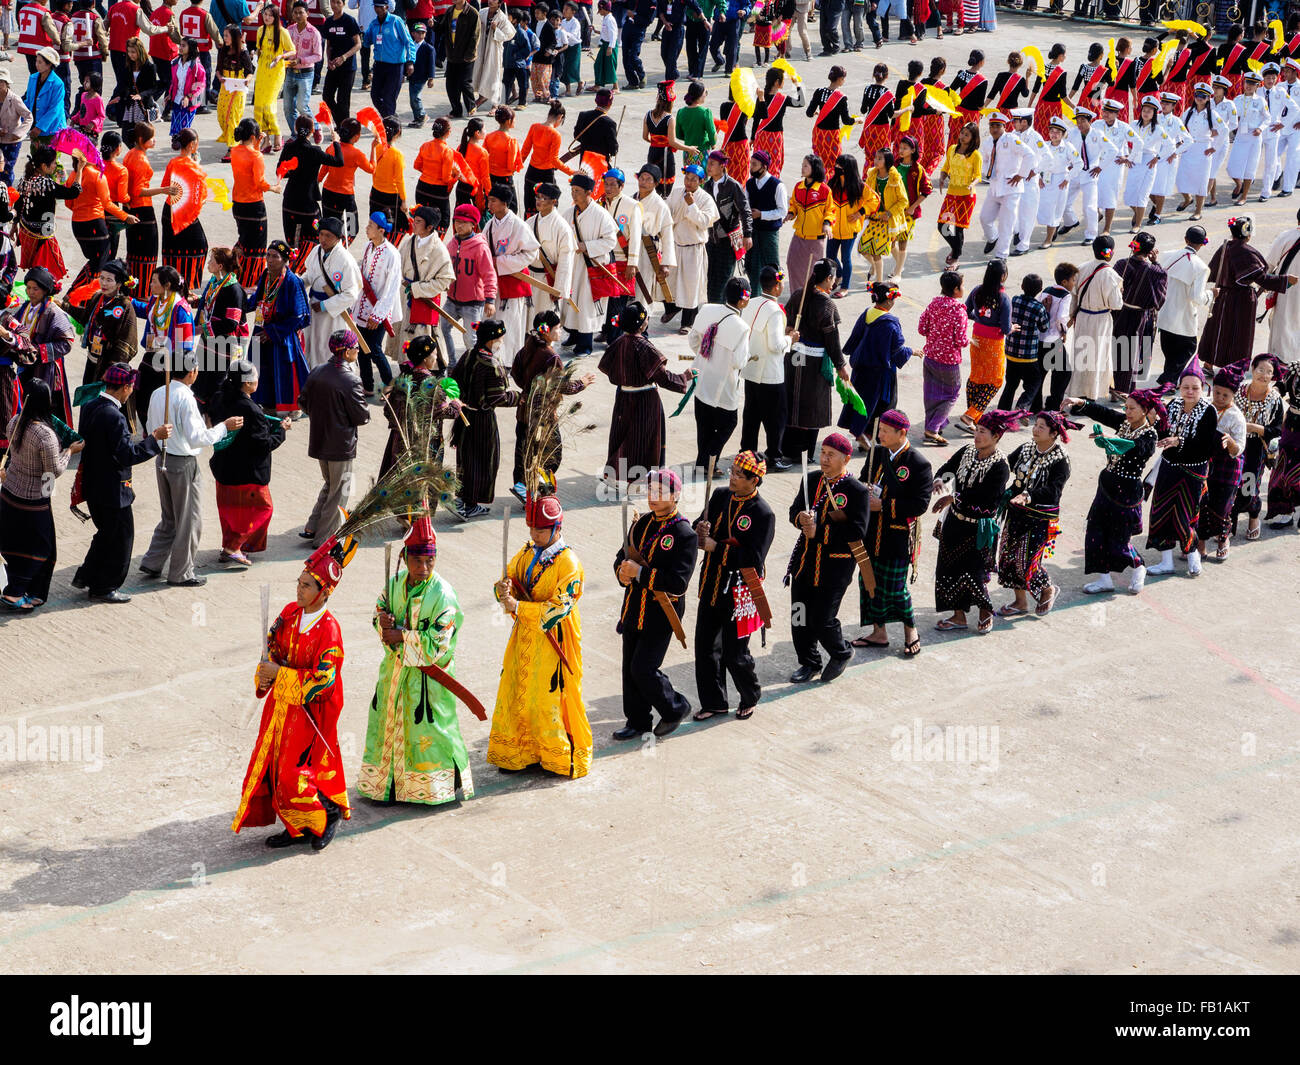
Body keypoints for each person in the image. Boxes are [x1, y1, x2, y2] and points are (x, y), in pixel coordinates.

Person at [233, 532, 354, 852]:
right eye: (299, 582)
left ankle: (325, 816)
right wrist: (265, 675)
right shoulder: (289, 613)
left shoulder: (330, 631)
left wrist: (280, 675)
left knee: (295, 772)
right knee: (275, 768)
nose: (298, 589)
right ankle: (296, 826)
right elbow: (272, 648)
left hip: (312, 712)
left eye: (306, 585)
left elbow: (323, 681)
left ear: (323, 592)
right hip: (281, 707)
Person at [358, 513, 475, 805]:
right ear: (405, 557)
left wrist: (401, 637)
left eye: (430, 562)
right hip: (395, 674)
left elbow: (439, 643)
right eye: (417, 561)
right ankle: (392, 784)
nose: (424, 568)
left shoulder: (444, 595)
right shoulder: (394, 583)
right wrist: (382, 623)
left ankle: (437, 786)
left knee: (432, 730)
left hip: (428, 681)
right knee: (386, 723)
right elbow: (379, 611)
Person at [487, 491, 591, 773]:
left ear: (557, 528)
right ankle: (520, 752)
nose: (534, 533)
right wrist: (503, 589)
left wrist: (518, 607)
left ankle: (556, 756)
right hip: (524, 637)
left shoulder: (570, 564)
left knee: (547, 698)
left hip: (554, 638)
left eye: (541, 529)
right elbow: (510, 578)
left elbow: (559, 609)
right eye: (532, 527)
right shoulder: (526, 551)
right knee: (517, 690)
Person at [138, 348, 242, 587]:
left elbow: (150, 426)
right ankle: (181, 573)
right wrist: (224, 427)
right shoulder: (185, 398)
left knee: (170, 517)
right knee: (189, 519)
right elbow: (198, 438)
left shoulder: (158, 393)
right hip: (182, 463)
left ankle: (153, 562)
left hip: (162, 457)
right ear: (192, 372)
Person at [71, 362, 172, 603]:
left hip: (94, 483)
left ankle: (87, 575)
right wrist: (154, 439)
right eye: (130, 388)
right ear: (125, 387)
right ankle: (105, 586)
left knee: (105, 534)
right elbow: (127, 454)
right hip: (112, 489)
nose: (131, 393)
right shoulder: (114, 416)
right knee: (121, 538)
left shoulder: (90, 404)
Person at [688, 449, 774, 722]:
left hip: (739, 590)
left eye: (739, 475)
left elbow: (753, 557)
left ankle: (750, 694)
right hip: (712, 583)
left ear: (754, 481)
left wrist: (716, 548)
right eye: (732, 471)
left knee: (735, 652)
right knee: (705, 647)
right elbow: (699, 526)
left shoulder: (762, 513)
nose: (732, 478)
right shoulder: (721, 495)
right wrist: (699, 530)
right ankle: (714, 702)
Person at [613, 466, 699, 738]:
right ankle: (637, 721)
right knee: (629, 669)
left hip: (660, 612)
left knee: (644, 668)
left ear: (675, 496)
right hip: (633, 608)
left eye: (661, 491)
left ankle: (675, 707)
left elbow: (678, 583)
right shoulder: (640, 524)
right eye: (650, 490)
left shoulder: (685, 535)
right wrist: (622, 574)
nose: (653, 496)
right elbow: (621, 556)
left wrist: (639, 573)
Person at [851, 406, 933, 660]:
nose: (881, 436)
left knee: (896, 588)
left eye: (886, 432)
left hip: (896, 534)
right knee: (869, 582)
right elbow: (864, 480)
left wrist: (884, 506)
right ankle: (879, 632)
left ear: (902, 433)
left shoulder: (918, 463)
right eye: (880, 430)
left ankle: (911, 632)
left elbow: (920, 504)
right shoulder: (876, 453)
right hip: (870, 531)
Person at [786, 432, 868, 684]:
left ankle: (840, 652)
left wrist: (819, 531)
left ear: (846, 459)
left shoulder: (856, 491)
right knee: (799, 615)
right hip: (804, 562)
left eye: (831, 455)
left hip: (835, 565)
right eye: (822, 453)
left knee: (823, 618)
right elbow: (793, 511)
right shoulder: (811, 480)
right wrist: (800, 519)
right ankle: (809, 662)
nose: (824, 458)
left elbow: (857, 531)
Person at [1065, 389, 1163, 596]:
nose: (1127, 412)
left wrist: (1111, 440)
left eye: (1132, 408)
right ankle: (1104, 579)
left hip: (1126, 492)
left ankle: (1138, 567)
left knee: (1119, 540)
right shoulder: (1125, 423)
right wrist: (1081, 402)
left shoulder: (1149, 435)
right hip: (1107, 486)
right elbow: (1105, 414)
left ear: (1145, 410)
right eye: (1125, 407)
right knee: (1095, 533)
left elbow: (1137, 449)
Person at [0, 379, 81, 611]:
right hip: (34, 499)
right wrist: (69, 451)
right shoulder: (45, 435)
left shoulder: (15, 421)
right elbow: (53, 470)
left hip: (10, 493)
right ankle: (16, 594)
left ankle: (20, 591)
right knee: (40, 549)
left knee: (12, 544)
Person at [931, 410, 1013, 635]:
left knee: (974, 572)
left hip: (978, 528)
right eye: (976, 429)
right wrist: (940, 479)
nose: (977, 435)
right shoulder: (967, 451)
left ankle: (985, 610)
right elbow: (948, 467)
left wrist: (952, 497)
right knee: (947, 568)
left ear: (996, 436)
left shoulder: (1000, 466)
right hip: (954, 521)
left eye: (983, 431)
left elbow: (987, 501)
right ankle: (958, 616)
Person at [598, 300, 693, 484]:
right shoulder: (644, 347)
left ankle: (615, 475)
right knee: (642, 439)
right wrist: (684, 377)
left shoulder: (618, 342)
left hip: (623, 396)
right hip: (645, 400)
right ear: (642, 323)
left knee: (623, 435)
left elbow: (607, 369)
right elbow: (663, 378)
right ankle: (637, 480)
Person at [205, 359, 287, 567]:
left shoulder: (219, 397)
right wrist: (282, 431)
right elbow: (264, 444)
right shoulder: (250, 409)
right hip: (247, 473)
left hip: (224, 467)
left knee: (230, 513)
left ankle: (230, 547)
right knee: (262, 509)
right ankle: (233, 547)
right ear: (248, 384)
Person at [996, 411, 1073, 618]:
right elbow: (1006, 466)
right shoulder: (1027, 448)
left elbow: (1054, 491)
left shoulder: (1060, 460)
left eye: (1041, 427)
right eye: (1035, 425)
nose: (1035, 429)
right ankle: (1020, 602)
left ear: (1054, 433)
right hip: (1016, 511)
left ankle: (1047, 589)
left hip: (1040, 517)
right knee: (1008, 557)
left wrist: (1028, 496)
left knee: (1028, 561)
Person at [508, 311, 593, 492]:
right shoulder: (550, 357)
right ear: (546, 331)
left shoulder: (526, 348)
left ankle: (522, 487)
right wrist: (582, 383)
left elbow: (515, 373)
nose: (561, 331)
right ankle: (536, 488)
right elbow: (562, 386)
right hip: (543, 415)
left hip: (524, 412)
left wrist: (528, 390)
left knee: (524, 451)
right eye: (558, 328)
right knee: (550, 454)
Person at [1145, 367, 1219, 578]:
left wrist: (1178, 441)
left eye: (1195, 388)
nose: (1189, 391)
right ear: (1179, 387)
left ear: (1203, 388)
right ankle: (1166, 562)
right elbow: (1163, 432)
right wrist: (1153, 420)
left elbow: (1205, 445)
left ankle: (1193, 555)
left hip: (1193, 471)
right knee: (1161, 513)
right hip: (1169, 467)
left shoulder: (1208, 411)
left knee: (1186, 515)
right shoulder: (1173, 405)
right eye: (1185, 387)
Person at [297, 328, 368, 548]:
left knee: (331, 484)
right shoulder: (351, 380)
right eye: (355, 348)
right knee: (341, 491)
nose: (358, 351)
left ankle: (312, 526)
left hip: (320, 439)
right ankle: (324, 539)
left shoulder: (317, 371)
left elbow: (303, 402)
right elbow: (362, 416)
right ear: (346, 352)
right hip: (341, 444)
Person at [1199, 215, 1297, 371]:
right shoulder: (1245, 252)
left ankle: (1208, 365)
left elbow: (1213, 271)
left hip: (1222, 295)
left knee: (1216, 330)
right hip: (1240, 300)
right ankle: (1234, 368)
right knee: (1238, 335)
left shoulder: (1225, 246)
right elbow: (1262, 278)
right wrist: (1286, 281)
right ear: (1248, 234)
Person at [448, 317, 518, 519]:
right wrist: (518, 397)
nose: (501, 342)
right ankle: (464, 503)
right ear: (492, 340)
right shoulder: (491, 364)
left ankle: (466, 502)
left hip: (464, 415)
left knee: (466, 459)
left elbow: (454, 380)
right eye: (501, 339)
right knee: (484, 461)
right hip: (482, 419)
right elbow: (498, 397)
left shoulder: (469, 354)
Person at [783, 257, 849, 464]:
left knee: (793, 399)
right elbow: (832, 340)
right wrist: (841, 366)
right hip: (812, 364)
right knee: (811, 405)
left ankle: (787, 448)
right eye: (833, 279)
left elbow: (785, 321)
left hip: (794, 357)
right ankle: (804, 453)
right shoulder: (826, 304)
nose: (834, 283)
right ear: (828, 279)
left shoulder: (797, 295)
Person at [837, 280, 911, 450]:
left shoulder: (867, 313)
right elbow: (897, 351)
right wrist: (911, 351)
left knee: (860, 400)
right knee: (881, 404)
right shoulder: (891, 322)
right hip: (880, 373)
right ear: (889, 300)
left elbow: (853, 340)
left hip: (861, 368)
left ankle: (866, 434)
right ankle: (861, 433)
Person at [687, 275, 751, 470]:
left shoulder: (707, 310)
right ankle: (707, 461)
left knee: (704, 425)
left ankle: (704, 463)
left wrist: (705, 355)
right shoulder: (741, 327)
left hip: (702, 375)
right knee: (728, 423)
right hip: (723, 384)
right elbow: (739, 361)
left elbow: (693, 340)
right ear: (742, 300)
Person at [2, 266, 76, 424]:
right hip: (26, 363)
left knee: (46, 407)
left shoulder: (54, 312)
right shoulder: (25, 307)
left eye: (35, 289)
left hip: (46, 368)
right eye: (28, 288)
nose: (30, 292)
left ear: (45, 291)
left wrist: (39, 351)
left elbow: (67, 342)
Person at [561, 172, 619, 356]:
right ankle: (573, 334)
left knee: (586, 305)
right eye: (572, 190)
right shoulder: (568, 213)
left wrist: (586, 246)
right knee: (571, 301)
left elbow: (611, 241)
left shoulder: (600, 214)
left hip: (592, 266)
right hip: (574, 265)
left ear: (589, 193)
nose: (573, 194)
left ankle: (585, 344)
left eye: (577, 191)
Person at [483, 185, 541, 364]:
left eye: (493, 201)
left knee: (510, 325)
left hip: (513, 280)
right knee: (490, 322)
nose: (489, 204)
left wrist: (500, 262)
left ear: (505, 203)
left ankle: (509, 362)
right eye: (489, 200)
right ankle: (490, 358)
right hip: (493, 280)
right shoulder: (490, 223)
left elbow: (532, 253)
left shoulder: (518, 225)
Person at [250, 240, 310, 412]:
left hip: (282, 334)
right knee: (257, 362)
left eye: (275, 256)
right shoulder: (266, 275)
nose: (269, 259)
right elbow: (256, 299)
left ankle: (287, 407)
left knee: (282, 369)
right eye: (268, 255)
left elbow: (298, 316)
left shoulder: (293, 282)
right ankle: (262, 401)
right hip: (261, 327)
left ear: (285, 260)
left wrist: (271, 333)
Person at [1196, 364, 1249, 562]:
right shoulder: (1205, 406)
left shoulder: (1236, 417)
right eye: (1217, 392)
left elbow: (1240, 448)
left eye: (1225, 395)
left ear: (1233, 396)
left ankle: (1223, 539)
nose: (1219, 398)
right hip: (1207, 462)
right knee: (1202, 502)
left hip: (1229, 465)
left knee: (1222, 505)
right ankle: (1200, 542)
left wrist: (1231, 443)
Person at [739, 264, 790, 465]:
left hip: (750, 369)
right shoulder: (775, 311)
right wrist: (790, 339)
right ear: (777, 286)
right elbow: (776, 345)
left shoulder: (750, 303)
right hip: (770, 373)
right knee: (775, 419)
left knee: (751, 416)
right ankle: (774, 456)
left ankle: (747, 453)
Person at [298, 216, 362, 371]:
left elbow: (351, 294)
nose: (323, 239)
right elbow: (310, 275)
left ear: (338, 238)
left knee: (328, 348)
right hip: (313, 307)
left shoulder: (346, 260)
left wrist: (324, 305)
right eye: (321, 234)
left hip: (333, 314)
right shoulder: (316, 251)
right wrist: (298, 283)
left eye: (328, 236)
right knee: (312, 345)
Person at [955, 259, 1010, 434]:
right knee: (995, 380)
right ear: (1003, 276)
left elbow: (965, 310)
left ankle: (974, 419)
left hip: (977, 338)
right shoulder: (1003, 298)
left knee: (977, 376)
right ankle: (971, 415)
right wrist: (1012, 328)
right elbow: (1006, 327)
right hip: (993, 343)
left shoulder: (977, 291)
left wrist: (978, 319)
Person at [1233, 354, 1284, 541]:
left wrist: (1255, 428)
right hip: (1235, 443)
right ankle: (1229, 520)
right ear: (1252, 369)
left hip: (1256, 447)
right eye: (1260, 370)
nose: (1264, 375)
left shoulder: (1275, 399)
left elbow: (1277, 429)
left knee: (1249, 484)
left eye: (1269, 372)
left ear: (1273, 376)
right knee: (1230, 483)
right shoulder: (1239, 391)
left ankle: (1254, 516)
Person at [62, 258, 137, 385]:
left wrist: (112, 369)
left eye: (109, 280)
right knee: (87, 398)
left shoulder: (125, 306)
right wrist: (63, 306)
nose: (104, 283)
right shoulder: (98, 297)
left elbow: (126, 342)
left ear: (119, 284)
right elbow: (85, 316)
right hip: (92, 359)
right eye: (101, 278)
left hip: (108, 366)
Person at [1110, 232, 1167, 396]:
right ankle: (1124, 389)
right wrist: (1156, 262)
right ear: (1150, 252)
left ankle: (1112, 385)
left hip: (1118, 312)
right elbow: (1159, 300)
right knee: (1131, 353)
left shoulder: (1121, 264)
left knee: (1116, 348)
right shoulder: (1155, 271)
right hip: (1139, 317)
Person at [395, 205, 454, 359]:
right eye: (414, 220)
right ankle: (406, 368)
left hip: (424, 300)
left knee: (424, 338)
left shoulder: (439, 249)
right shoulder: (409, 241)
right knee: (404, 336)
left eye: (418, 221)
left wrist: (417, 288)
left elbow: (445, 280)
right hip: (406, 297)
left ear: (429, 227)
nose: (413, 223)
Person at [353, 211, 402, 395]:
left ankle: (389, 381)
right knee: (362, 349)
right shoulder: (367, 247)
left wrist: (378, 314)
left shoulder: (392, 254)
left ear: (381, 230)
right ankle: (367, 385)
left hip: (379, 309)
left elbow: (391, 288)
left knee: (374, 348)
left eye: (371, 226)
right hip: (363, 306)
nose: (367, 228)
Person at [1068, 235, 1123, 401]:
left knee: (1081, 357)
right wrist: (1120, 293)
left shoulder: (1081, 268)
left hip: (1083, 317)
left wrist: (1072, 316)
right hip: (1101, 320)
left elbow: (1073, 297)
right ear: (1110, 253)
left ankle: (1077, 393)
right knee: (1097, 357)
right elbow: (1116, 304)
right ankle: (1091, 395)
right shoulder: (1111, 275)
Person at [192, 247, 248, 407]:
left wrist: (204, 328)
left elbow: (231, 323)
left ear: (220, 266)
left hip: (224, 346)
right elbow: (208, 303)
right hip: (209, 341)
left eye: (211, 261)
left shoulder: (234, 290)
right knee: (201, 381)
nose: (208, 263)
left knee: (217, 384)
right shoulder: (214, 282)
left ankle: (215, 421)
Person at [14, 145, 80, 281]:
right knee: (45, 273)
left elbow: (18, 204)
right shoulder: (47, 184)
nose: (55, 165)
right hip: (42, 235)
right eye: (54, 163)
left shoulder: (24, 181)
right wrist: (79, 171)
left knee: (35, 268)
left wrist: (15, 225)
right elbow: (74, 192)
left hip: (26, 231)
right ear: (44, 166)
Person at [277, 115, 343, 250]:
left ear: (295, 128)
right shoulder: (315, 151)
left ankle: (296, 264)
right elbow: (339, 161)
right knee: (314, 236)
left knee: (293, 242)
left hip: (290, 201)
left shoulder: (289, 147)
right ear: (312, 131)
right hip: (308, 204)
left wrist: (294, 170)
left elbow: (280, 172)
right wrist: (336, 142)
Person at [1155, 225, 1211, 385]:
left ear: (1186, 239)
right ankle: (1168, 381)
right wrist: (1211, 295)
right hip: (1183, 317)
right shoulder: (1201, 267)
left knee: (1170, 352)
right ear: (1202, 244)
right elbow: (1197, 297)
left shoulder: (1168, 255)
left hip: (1164, 313)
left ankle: (1169, 380)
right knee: (1189, 349)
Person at [918, 270, 969, 445]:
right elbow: (961, 340)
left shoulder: (934, 304)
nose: (963, 288)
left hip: (930, 356)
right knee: (951, 394)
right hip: (949, 361)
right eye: (962, 285)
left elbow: (922, 328)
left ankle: (932, 426)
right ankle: (933, 429)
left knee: (931, 393)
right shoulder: (959, 310)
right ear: (955, 289)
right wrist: (970, 341)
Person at [229, 118, 279, 288]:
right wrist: (273, 188)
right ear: (254, 136)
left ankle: (236, 272)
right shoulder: (256, 156)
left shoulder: (234, 151)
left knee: (244, 240)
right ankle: (250, 281)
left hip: (238, 203)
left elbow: (248, 161)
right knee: (256, 246)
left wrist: (256, 144)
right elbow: (259, 182)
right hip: (254, 205)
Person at [159, 128, 208, 294]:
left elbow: (165, 186)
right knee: (199, 248)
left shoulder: (174, 162)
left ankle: (173, 285)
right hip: (184, 212)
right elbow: (202, 192)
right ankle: (187, 286)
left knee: (173, 250)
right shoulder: (195, 167)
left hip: (170, 210)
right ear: (193, 145)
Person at [978, 111, 1031, 262]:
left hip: (1010, 188)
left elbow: (1030, 155)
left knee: (1006, 224)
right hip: (994, 186)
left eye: (997, 126)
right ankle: (993, 237)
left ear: (1003, 126)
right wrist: (987, 172)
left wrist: (1021, 174)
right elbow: (985, 159)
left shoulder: (1012, 140)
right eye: (992, 126)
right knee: (984, 218)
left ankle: (1002, 254)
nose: (994, 129)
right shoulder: (988, 142)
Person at [998, 273, 1050, 411]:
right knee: (1034, 382)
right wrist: (1047, 310)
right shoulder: (1039, 308)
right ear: (1040, 290)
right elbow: (1044, 327)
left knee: (1010, 385)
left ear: (1021, 286)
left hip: (1011, 352)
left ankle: (1002, 412)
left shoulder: (1014, 300)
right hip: (1028, 356)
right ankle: (1022, 406)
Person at [252, 5, 296, 153]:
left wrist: (281, 56)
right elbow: (259, 50)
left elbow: (292, 50)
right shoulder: (260, 30)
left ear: (276, 17)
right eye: (265, 14)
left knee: (269, 106)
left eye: (270, 15)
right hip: (263, 70)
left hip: (276, 71)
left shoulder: (282, 32)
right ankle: (265, 139)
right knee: (259, 105)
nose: (267, 18)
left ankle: (278, 135)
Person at [936, 121, 981, 267]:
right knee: (942, 226)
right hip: (951, 194)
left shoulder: (975, 155)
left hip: (966, 196)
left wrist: (972, 184)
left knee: (958, 228)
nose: (963, 137)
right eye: (962, 133)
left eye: (967, 135)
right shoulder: (952, 149)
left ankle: (955, 257)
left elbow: (978, 176)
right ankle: (957, 250)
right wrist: (942, 177)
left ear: (973, 138)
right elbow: (945, 167)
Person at [364, 0, 415, 118]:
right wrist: (363, 35)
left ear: (387, 7)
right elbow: (367, 43)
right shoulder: (373, 24)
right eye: (376, 6)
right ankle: (390, 117)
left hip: (395, 66)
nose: (377, 9)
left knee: (389, 97)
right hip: (380, 65)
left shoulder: (396, 21)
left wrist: (410, 61)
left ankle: (390, 123)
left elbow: (409, 42)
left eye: (380, 7)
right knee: (375, 96)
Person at [1265, 207, 1300, 364]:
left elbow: (1269, 263)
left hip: (1286, 288)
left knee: (1283, 324)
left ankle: (1281, 362)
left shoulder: (1286, 236)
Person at [214, 25, 255, 158]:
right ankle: (235, 141)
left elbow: (250, 72)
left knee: (232, 117)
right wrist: (219, 77)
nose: (224, 38)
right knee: (221, 116)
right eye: (224, 35)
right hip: (225, 87)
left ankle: (232, 148)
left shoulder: (243, 53)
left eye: (227, 35)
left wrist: (246, 80)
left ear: (234, 37)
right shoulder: (222, 51)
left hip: (238, 87)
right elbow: (218, 69)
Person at [440, 0, 481, 119]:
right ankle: (456, 110)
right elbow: (442, 28)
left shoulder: (472, 13)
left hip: (466, 55)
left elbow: (475, 35)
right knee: (451, 84)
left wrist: (469, 54)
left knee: (464, 82)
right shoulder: (450, 11)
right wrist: (434, 25)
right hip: (452, 55)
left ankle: (471, 106)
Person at [472, 0, 513, 109]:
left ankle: (495, 105)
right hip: (481, 47)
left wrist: (496, 29)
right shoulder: (482, 12)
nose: (490, 1)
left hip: (494, 50)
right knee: (482, 72)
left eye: (494, 0)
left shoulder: (502, 17)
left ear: (499, 3)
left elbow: (508, 35)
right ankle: (482, 96)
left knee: (494, 75)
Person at [0, 68, 34, 186]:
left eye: (1, 82)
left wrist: (19, 133)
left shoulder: (14, 99)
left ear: (7, 84)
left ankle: (7, 196)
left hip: (12, 142)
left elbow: (29, 117)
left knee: (6, 170)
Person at [24, 46, 66, 138]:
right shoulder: (33, 78)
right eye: (36, 61)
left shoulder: (58, 84)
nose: (36, 64)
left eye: (40, 62)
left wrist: (39, 128)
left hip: (52, 129)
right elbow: (28, 101)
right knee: (35, 152)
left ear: (49, 64)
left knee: (50, 152)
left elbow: (55, 109)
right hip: (34, 126)